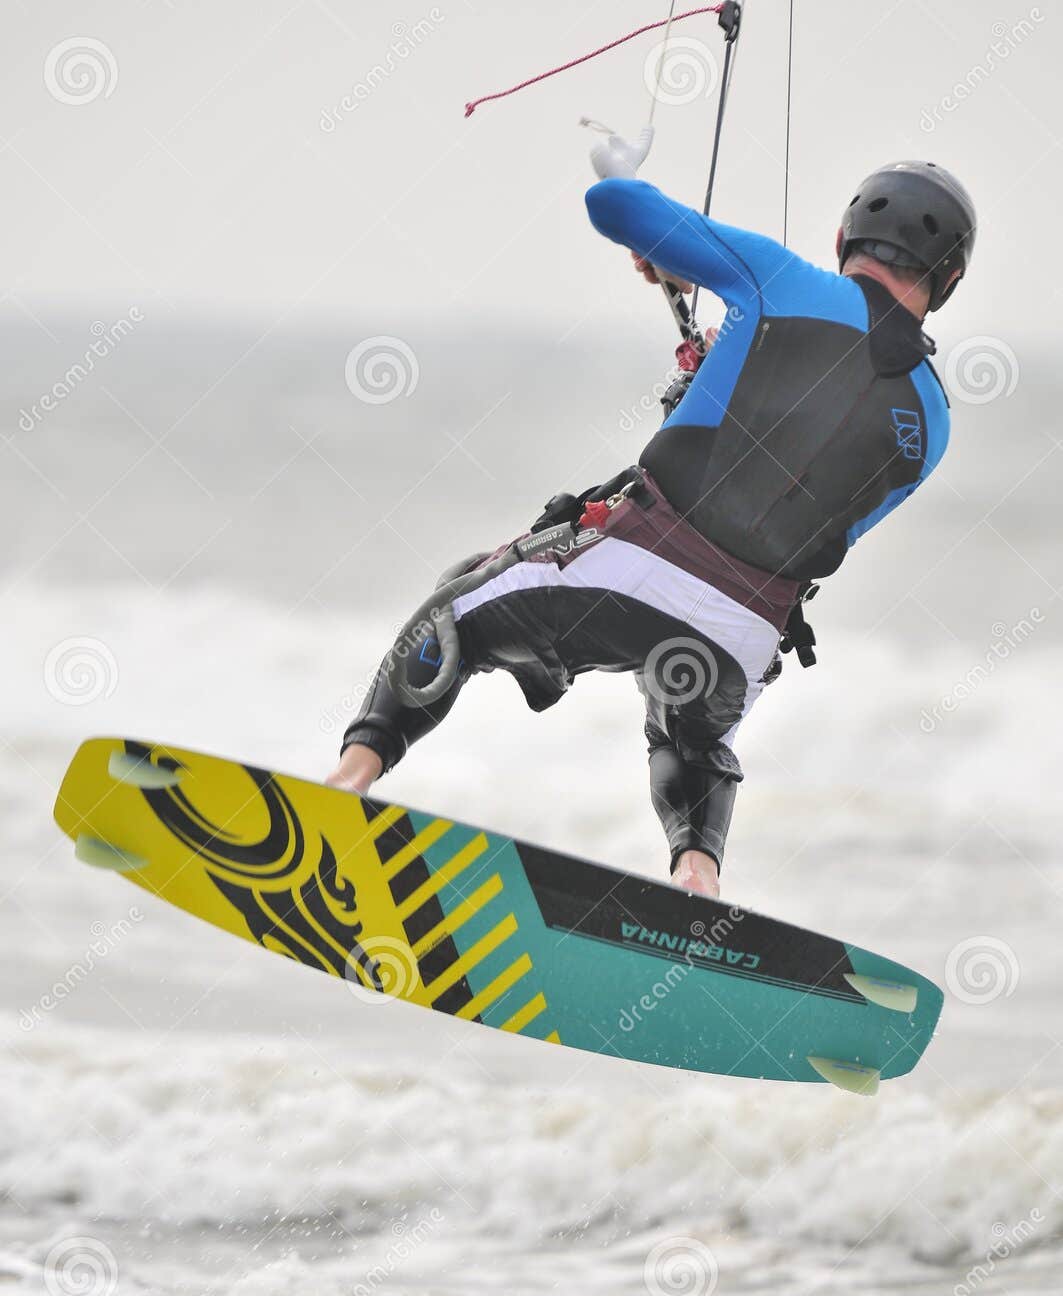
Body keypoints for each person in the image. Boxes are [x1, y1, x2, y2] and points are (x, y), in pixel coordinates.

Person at [328, 160, 975, 900]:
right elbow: (799, 499)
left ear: (842, 237)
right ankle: (696, 882)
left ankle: (347, 783)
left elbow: (613, 204)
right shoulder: (933, 423)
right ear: (949, 279)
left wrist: (665, 241)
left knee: (455, 612)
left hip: (632, 569)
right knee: (691, 746)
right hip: (741, 637)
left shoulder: (780, 280)